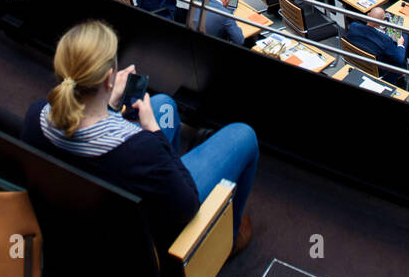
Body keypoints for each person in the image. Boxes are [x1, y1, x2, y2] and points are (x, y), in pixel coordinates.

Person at [21, 21, 257, 256]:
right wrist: (153, 130)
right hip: (138, 239)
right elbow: (188, 206)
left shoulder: (36, 115)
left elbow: (87, 134)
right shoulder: (141, 147)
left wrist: (111, 103)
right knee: (244, 136)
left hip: (75, 219)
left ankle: (165, 180)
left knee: (164, 104)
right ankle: (229, 238)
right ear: (108, 79)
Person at [346, 6, 408, 73]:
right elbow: (399, 60)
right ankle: (402, 75)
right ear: (382, 22)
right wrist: (400, 45)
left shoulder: (353, 26)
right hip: (378, 72)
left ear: (368, 15)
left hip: (355, 62)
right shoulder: (385, 40)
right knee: (405, 36)